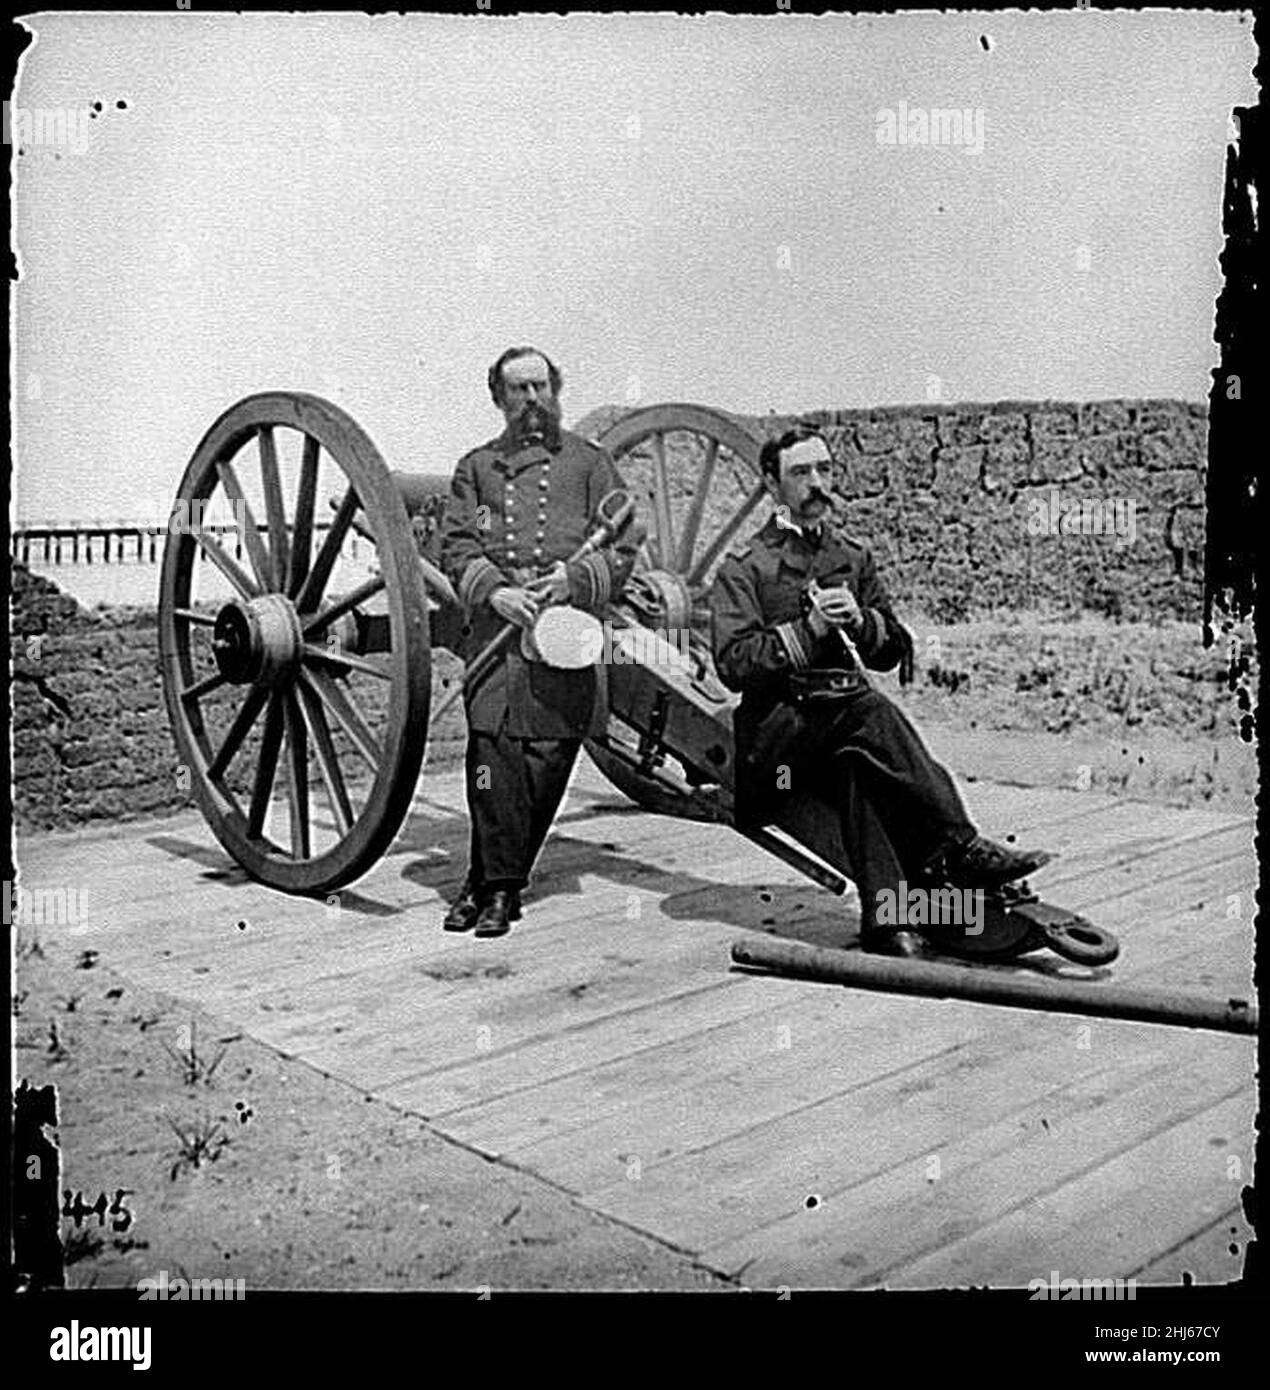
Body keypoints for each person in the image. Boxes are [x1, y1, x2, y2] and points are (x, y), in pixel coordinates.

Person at [710, 424, 1053, 957]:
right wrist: (811, 631)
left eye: (824, 470)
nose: (816, 483)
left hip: (839, 741)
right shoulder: (746, 567)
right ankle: (959, 846)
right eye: (801, 473)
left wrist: (864, 622)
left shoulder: (852, 557)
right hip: (778, 751)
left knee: (859, 765)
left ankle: (889, 920)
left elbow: (893, 649)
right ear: (772, 486)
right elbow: (733, 664)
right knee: (869, 712)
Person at [438, 346, 639, 937]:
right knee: (492, 756)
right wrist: (497, 593)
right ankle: (500, 890)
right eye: (518, 390)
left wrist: (573, 579)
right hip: (500, 635)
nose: (532, 401)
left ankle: (484, 880)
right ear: (498, 398)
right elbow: (457, 545)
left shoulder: (589, 465)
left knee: (548, 758)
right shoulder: (475, 469)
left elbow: (624, 541)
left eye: (540, 387)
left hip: (566, 630)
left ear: (556, 391)